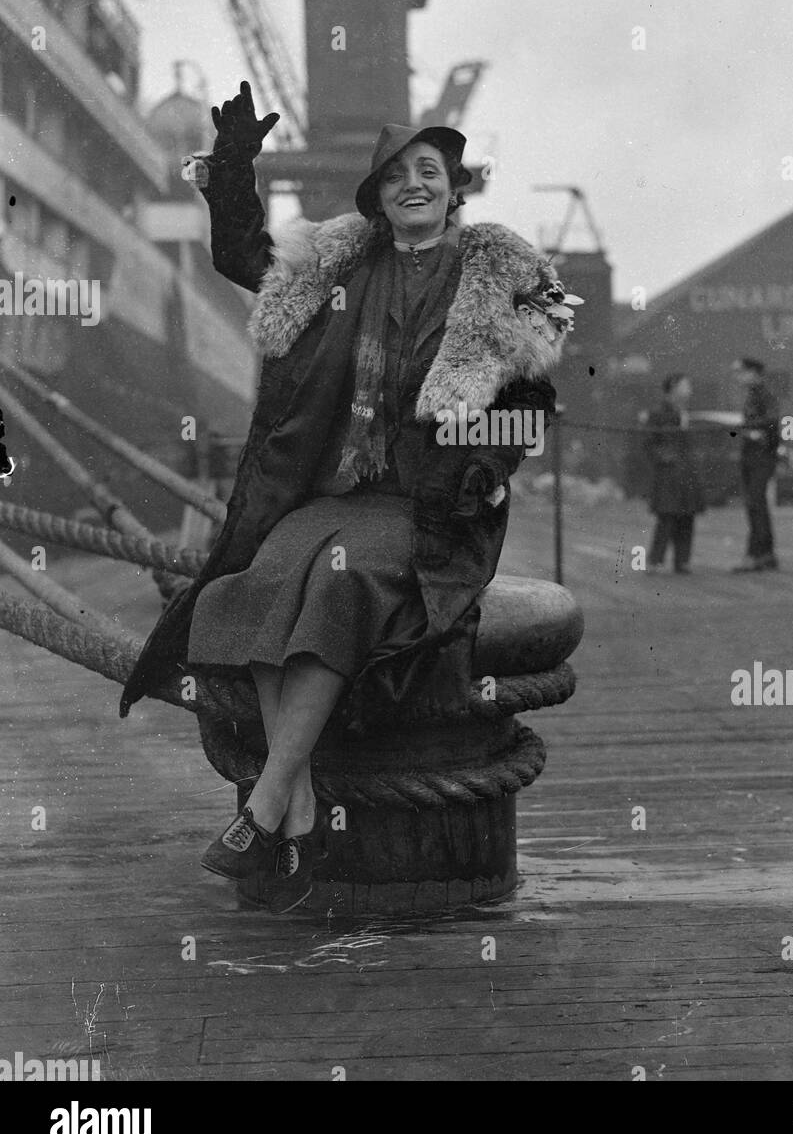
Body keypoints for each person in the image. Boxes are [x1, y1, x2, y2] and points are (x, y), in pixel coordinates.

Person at [119, 82, 580, 913]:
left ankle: (264, 808)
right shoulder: (339, 262)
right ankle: (295, 813)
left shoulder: (500, 277)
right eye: (398, 173)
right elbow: (242, 260)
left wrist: (480, 468)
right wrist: (232, 170)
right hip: (334, 493)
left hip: (429, 509)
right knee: (247, 588)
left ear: (454, 187)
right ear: (377, 193)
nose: (416, 184)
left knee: (336, 587)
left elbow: (528, 405)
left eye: (431, 170)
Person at [643, 373, 704, 573]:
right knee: (667, 518)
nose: (690, 389)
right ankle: (656, 560)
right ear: (674, 387)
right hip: (669, 474)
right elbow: (649, 443)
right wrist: (666, 458)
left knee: (687, 517)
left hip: (686, 473)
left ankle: (682, 561)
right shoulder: (658, 412)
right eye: (686, 385)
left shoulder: (686, 411)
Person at [731, 357, 780, 572]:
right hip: (753, 456)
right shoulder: (754, 395)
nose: (738, 377)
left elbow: (771, 422)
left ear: (754, 372)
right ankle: (766, 554)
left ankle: (755, 554)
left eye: (742, 372)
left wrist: (753, 432)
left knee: (755, 505)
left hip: (760, 456)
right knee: (757, 505)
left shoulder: (764, 395)